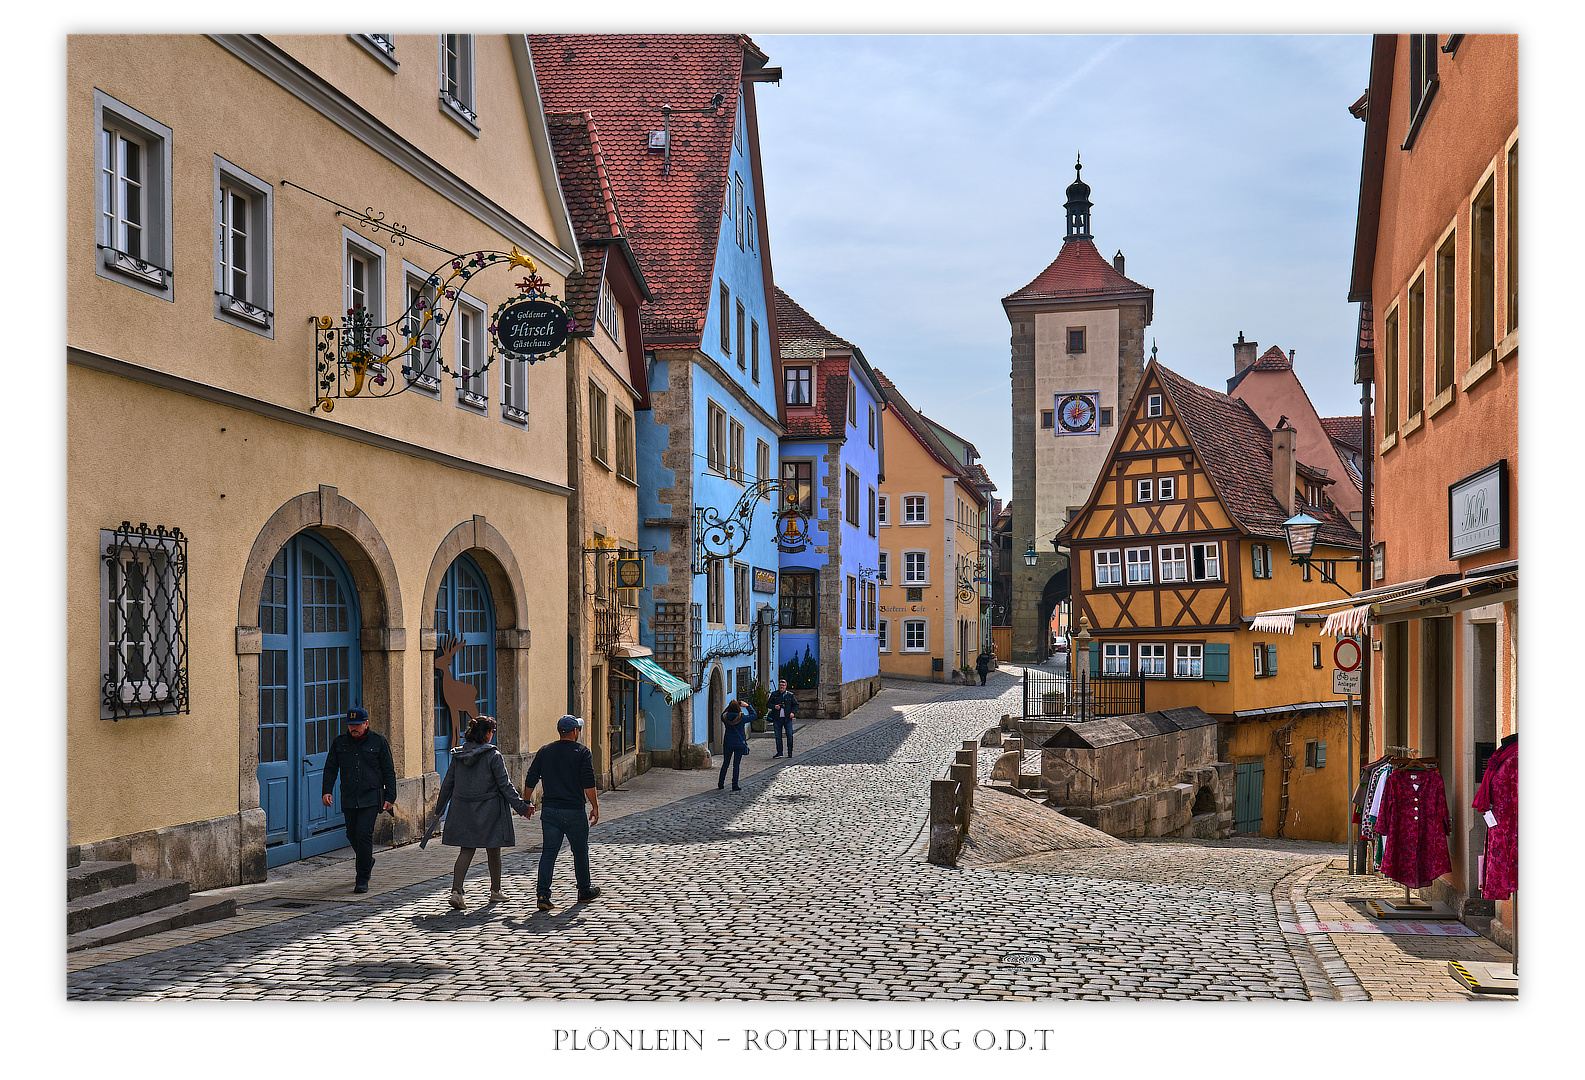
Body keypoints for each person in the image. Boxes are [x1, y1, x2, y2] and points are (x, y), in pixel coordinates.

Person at [432, 715, 533, 911]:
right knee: (493, 849)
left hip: (463, 809)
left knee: (467, 850)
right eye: (492, 731)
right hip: (490, 810)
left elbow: (447, 784)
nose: (493, 735)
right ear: (487, 734)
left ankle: (457, 891)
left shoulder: (459, 756)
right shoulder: (493, 756)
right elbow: (505, 786)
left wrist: (439, 809)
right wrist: (522, 808)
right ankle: (495, 891)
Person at [522, 715, 601, 912]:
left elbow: (531, 778)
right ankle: (584, 890)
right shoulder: (582, 752)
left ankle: (543, 895)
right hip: (574, 810)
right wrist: (595, 806)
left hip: (550, 810)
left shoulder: (545, 751)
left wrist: (525, 802)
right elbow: (588, 782)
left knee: (549, 853)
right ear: (575, 731)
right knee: (580, 851)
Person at [322, 706, 396, 893]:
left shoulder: (378, 742)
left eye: (357, 725)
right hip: (349, 796)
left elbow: (389, 770)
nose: (354, 728)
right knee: (352, 834)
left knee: (364, 835)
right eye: (351, 725)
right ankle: (367, 859)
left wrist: (391, 797)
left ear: (366, 724)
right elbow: (331, 768)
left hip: (371, 796)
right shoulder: (340, 743)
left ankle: (362, 878)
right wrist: (326, 791)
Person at [718, 698, 754, 791]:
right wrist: (747, 706)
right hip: (739, 743)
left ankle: (721, 783)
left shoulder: (725, 717)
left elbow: (723, 714)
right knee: (736, 765)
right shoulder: (741, 718)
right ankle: (735, 784)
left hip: (728, 742)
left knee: (725, 763)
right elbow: (753, 715)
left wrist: (730, 705)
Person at [766, 679, 798, 758]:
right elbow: (768, 704)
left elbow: (795, 705)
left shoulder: (790, 695)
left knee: (789, 735)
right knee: (778, 736)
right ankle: (779, 752)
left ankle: (790, 752)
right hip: (777, 719)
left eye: (783, 685)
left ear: (786, 686)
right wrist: (774, 706)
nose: (781, 687)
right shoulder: (774, 694)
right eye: (780, 685)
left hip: (787, 719)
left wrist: (793, 713)